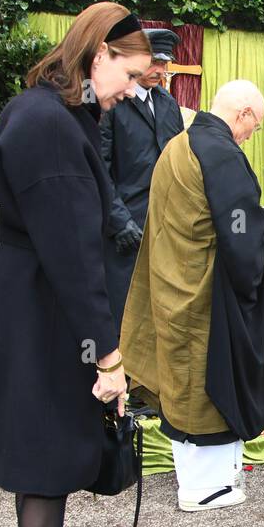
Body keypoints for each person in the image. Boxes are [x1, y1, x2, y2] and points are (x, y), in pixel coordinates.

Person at [0, 1, 152, 527]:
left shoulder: (54, 113)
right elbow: (72, 252)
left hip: (31, 303)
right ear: (99, 54)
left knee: (46, 451)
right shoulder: (49, 124)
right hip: (35, 311)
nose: (132, 92)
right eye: (130, 75)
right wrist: (108, 354)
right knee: (46, 457)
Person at [121, 80, 264, 512]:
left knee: (182, 378)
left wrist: (254, 221)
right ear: (244, 114)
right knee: (204, 382)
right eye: (255, 126)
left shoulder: (180, 144)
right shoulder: (220, 152)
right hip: (205, 294)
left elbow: (210, 218)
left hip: (174, 280)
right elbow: (237, 231)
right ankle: (208, 489)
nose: (251, 136)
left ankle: (200, 482)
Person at [98, 28, 185, 333]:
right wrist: (119, 221)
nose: (160, 71)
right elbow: (99, 169)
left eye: (164, 64)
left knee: (160, 314)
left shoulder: (168, 104)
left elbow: (179, 164)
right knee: (122, 315)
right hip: (126, 231)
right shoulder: (112, 104)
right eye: (154, 63)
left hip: (166, 228)